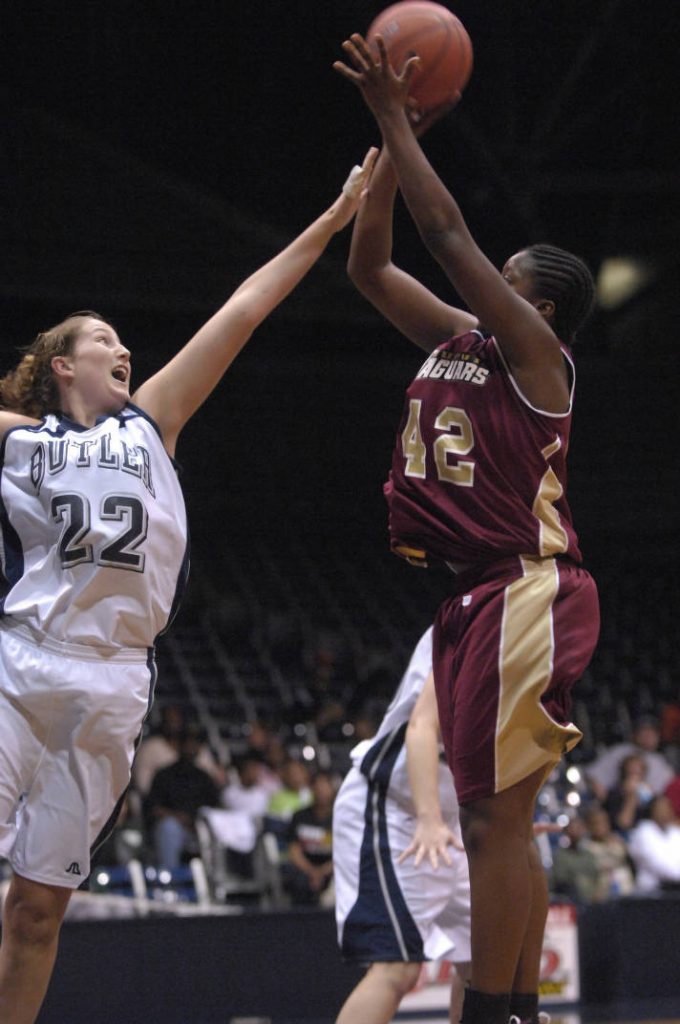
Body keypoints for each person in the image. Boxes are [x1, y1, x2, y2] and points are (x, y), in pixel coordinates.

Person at [0, 145, 377, 1024]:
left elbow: (243, 310)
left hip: (114, 682)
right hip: (19, 664)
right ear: (61, 364)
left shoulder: (151, 421)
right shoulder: (19, 440)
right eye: (102, 339)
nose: (123, 346)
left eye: (122, 340)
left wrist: (332, 217)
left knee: (38, 907)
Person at [334, 35, 600, 1024]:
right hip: (474, 592)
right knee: (508, 820)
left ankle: (489, 1008)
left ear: (530, 299)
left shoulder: (534, 355)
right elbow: (370, 267)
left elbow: (446, 234)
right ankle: (516, 1005)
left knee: (497, 818)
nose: (487, 268)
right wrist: (380, 174)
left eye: (506, 269)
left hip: (522, 582)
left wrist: (398, 122)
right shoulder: (459, 341)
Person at [333, 626, 471, 1024]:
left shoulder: (541, 638)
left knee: (487, 961)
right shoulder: (479, 614)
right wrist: (428, 817)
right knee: (397, 968)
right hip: (392, 805)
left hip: (452, 818)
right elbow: (423, 724)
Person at [145, 724, 221, 870]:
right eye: (188, 742)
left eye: (196, 743)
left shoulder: (204, 778)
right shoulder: (164, 775)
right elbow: (153, 808)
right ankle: (171, 882)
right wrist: (178, 817)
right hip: (174, 829)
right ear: (179, 745)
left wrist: (196, 822)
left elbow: (215, 808)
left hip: (198, 830)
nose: (192, 747)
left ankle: (218, 883)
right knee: (169, 828)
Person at [585, 715, 675, 803]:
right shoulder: (620, 751)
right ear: (635, 734)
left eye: (652, 733)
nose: (648, 736)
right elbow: (592, 774)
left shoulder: (660, 761)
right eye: (644, 731)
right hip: (616, 803)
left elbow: (666, 792)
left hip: (647, 808)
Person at [282, 770, 336, 906]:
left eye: (325, 787)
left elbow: (345, 853)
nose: (321, 791)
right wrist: (312, 872)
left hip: (332, 869)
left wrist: (322, 872)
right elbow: (294, 850)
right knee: (297, 882)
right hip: (304, 868)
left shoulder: (340, 818)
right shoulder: (300, 816)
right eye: (317, 787)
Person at [628, 794, 680, 893]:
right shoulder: (643, 832)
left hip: (676, 889)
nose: (665, 812)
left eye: (667, 808)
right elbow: (657, 864)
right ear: (652, 811)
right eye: (661, 809)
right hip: (651, 891)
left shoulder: (675, 832)